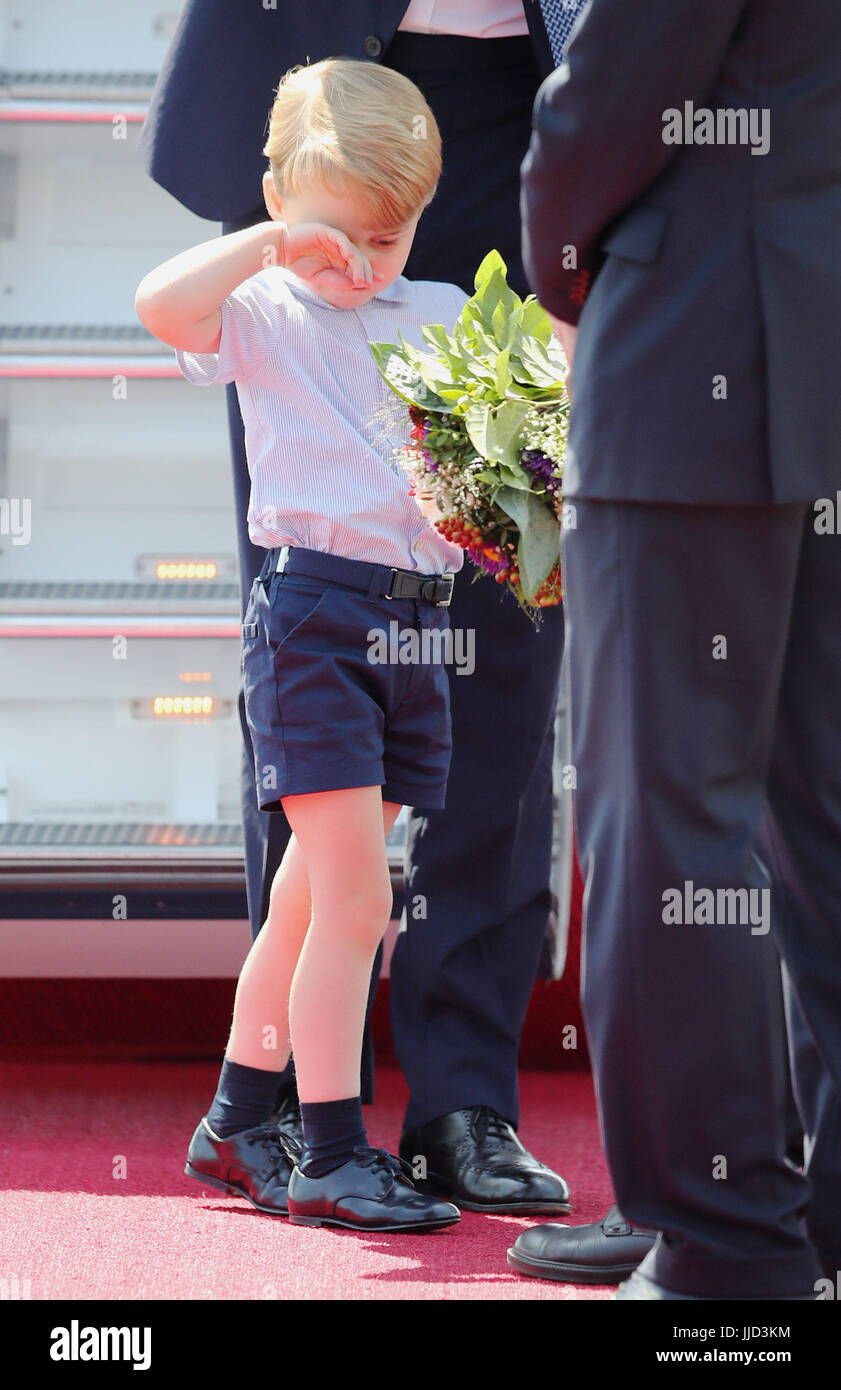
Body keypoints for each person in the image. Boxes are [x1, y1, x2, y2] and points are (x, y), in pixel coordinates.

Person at [139, 1, 583, 1216]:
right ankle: (299, 1120)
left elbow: (547, 372)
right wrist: (273, 237)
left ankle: (447, 1097)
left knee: (495, 610)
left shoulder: (435, 285)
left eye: (386, 244)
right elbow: (168, 309)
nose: (362, 261)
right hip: (299, 54)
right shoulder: (273, 285)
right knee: (328, 818)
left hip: (526, 76)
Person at [517, 0, 841, 1298]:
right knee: (820, 819)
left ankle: (725, 1237)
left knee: (665, 814)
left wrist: (556, 258)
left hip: (705, 341)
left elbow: (617, 87)